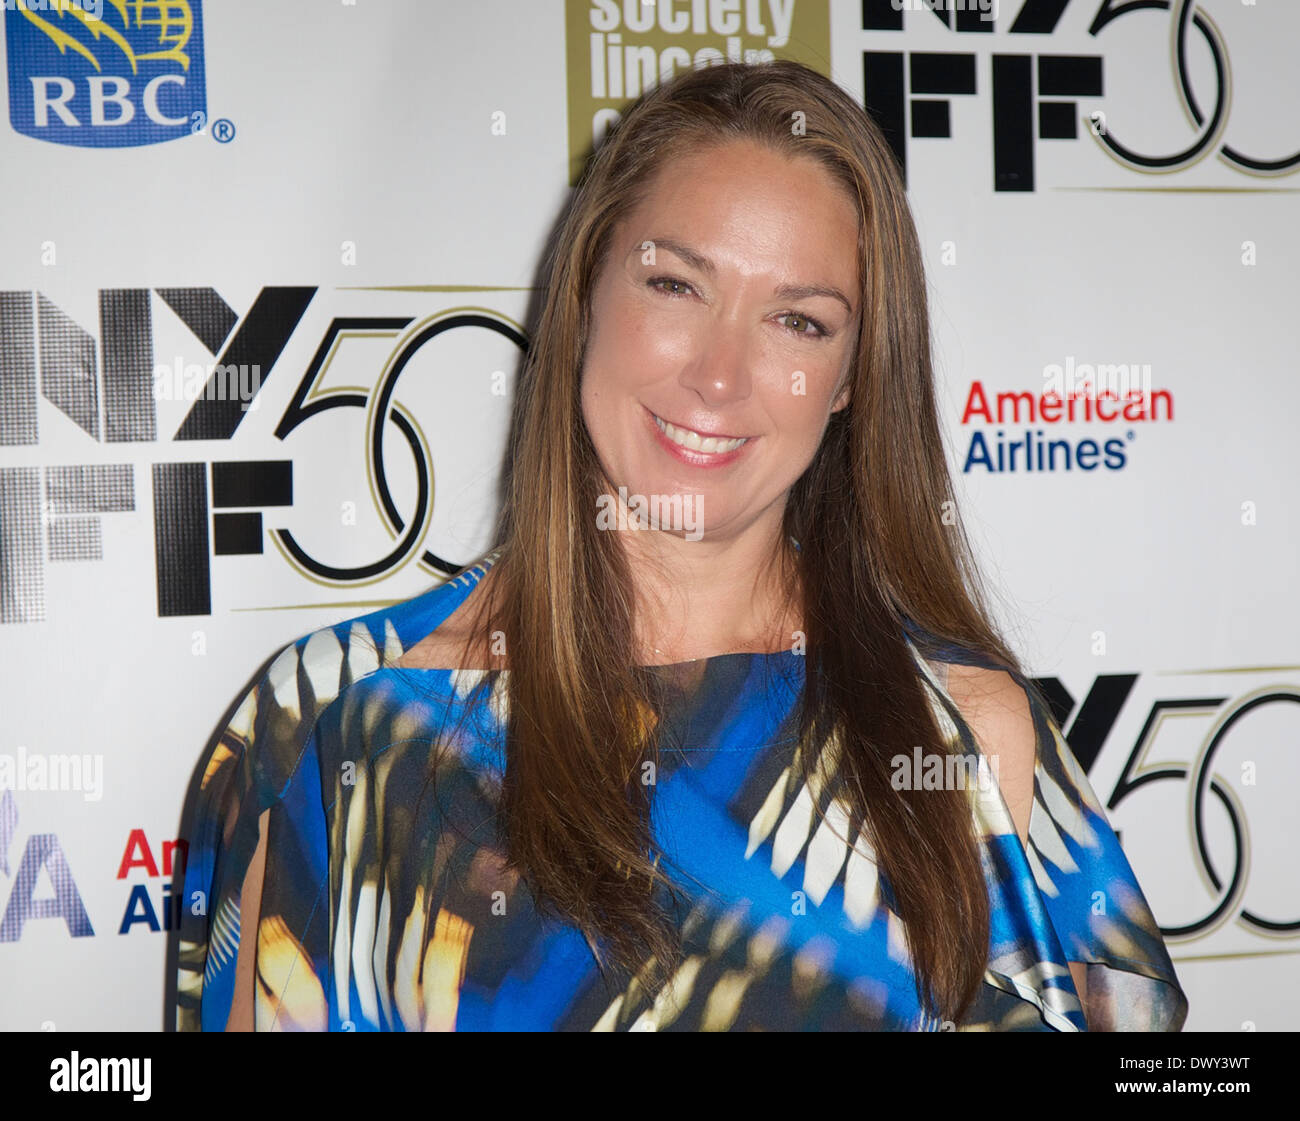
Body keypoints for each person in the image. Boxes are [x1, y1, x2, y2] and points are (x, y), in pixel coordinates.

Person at [173, 59, 1188, 1032]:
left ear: (848, 381)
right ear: (583, 297)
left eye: (797, 320)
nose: (718, 375)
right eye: (675, 285)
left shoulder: (962, 732)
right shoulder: (338, 718)